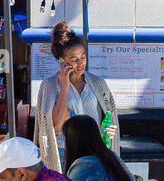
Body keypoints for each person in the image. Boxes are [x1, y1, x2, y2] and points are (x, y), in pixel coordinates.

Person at [33, 21, 120, 173]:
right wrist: (65, 86)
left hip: (94, 152)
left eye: (83, 57)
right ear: (62, 60)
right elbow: (57, 125)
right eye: (74, 59)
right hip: (63, 153)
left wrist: (108, 129)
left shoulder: (98, 84)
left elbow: (107, 118)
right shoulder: (50, 86)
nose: (81, 63)